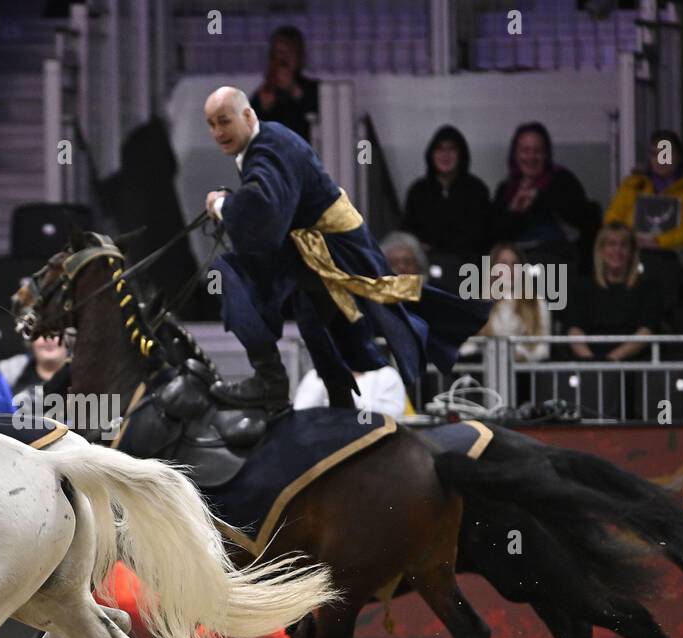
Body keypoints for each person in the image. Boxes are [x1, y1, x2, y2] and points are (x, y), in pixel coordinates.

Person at [201, 86, 488, 410]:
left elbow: (264, 224)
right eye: (210, 125)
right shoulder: (264, 144)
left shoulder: (270, 149)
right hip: (316, 250)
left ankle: (270, 380)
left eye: (223, 121)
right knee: (316, 321)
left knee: (232, 274)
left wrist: (223, 204)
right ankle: (336, 404)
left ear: (248, 115)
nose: (217, 132)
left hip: (334, 249)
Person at [490, 121, 598, 266]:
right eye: (525, 151)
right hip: (515, 266)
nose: (531, 157)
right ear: (515, 154)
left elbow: (582, 226)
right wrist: (514, 211)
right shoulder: (506, 188)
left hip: (555, 262)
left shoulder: (562, 181)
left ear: (546, 154)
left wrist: (540, 199)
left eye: (537, 151)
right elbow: (496, 238)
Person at [604, 129, 683, 261]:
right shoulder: (632, 185)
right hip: (632, 255)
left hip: (676, 260)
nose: (660, 159)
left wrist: (658, 242)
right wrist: (632, 239)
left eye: (666, 153)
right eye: (655, 154)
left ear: (679, 156)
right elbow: (612, 222)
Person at [564, 224, 654, 362]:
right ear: (600, 250)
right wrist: (592, 362)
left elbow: (646, 331)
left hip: (633, 363)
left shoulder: (647, 287)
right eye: (611, 244)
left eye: (624, 245)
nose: (617, 250)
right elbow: (574, 329)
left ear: (631, 252)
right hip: (589, 363)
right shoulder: (582, 287)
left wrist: (613, 359)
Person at [402, 125, 491, 263]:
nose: (445, 154)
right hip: (427, 268)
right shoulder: (418, 191)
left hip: (468, 268)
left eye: (452, 149)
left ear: (461, 154)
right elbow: (408, 236)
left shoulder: (477, 190)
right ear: (431, 154)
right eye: (439, 149)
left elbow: (481, 238)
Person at [459, 241, 551, 363]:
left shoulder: (537, 302)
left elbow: (543, 349)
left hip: (523, 375)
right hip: (487, 374)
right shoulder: (480, 304)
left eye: (514, 264)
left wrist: (518, 354)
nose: (510, 269)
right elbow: (467, 346)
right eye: (503, 264)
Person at [0, 336, 69, 414]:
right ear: (31, 341)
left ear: (69, 340)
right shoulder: (8, 374)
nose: (48, 339)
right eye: (41, 333)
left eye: (56, 333)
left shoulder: (82, 378)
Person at [249, 26, 318, 144]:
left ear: (299, 57)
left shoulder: (314, 91)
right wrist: (264, 110)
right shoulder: (263, 95)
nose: (282, 60)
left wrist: (295, 92)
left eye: (288, 53)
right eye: (277, 54)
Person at [292, 365, 409, 419]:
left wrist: (348, 395)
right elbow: (300, 414)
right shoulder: (314, 376)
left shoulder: (386, 374)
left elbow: (393, 415)